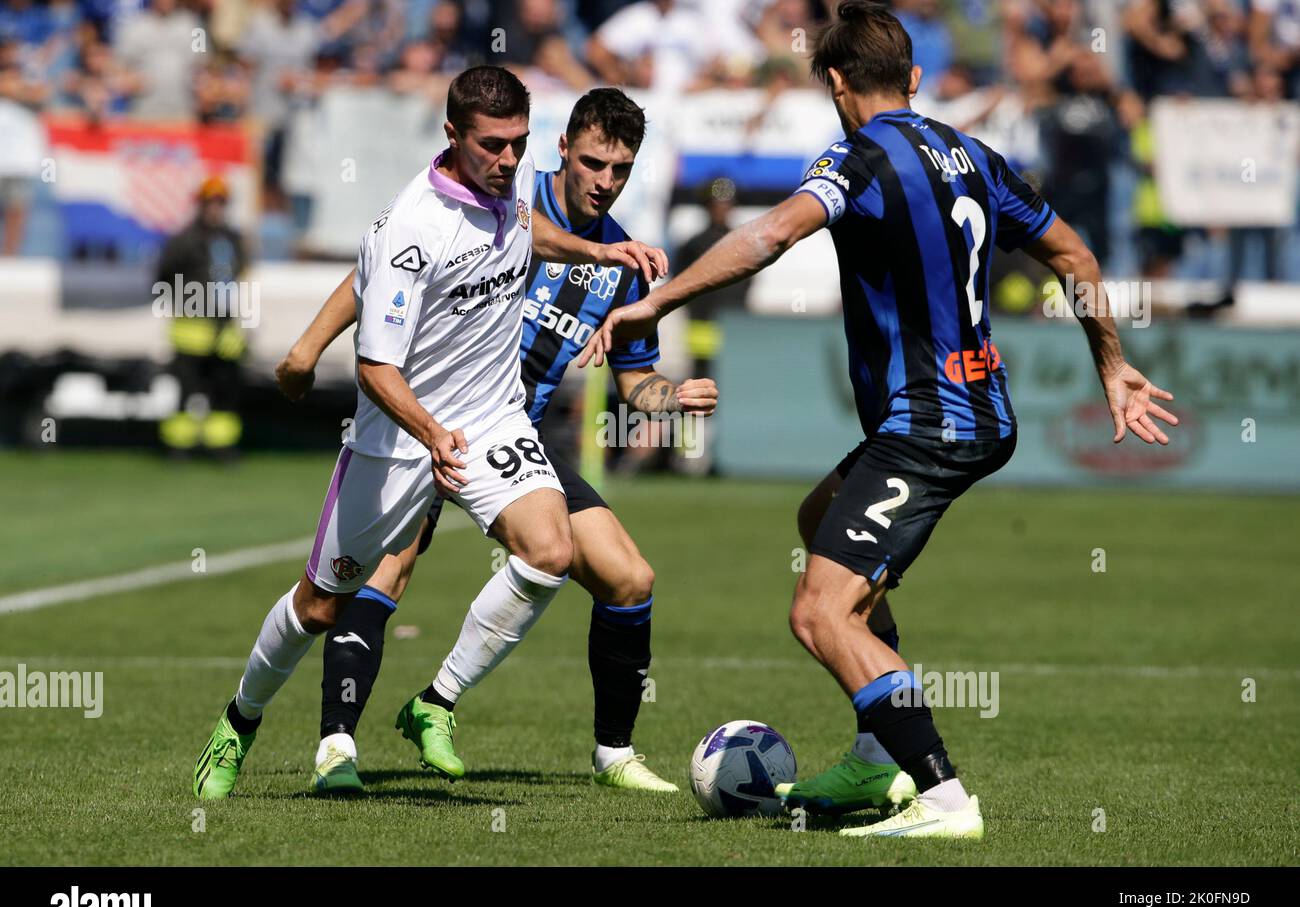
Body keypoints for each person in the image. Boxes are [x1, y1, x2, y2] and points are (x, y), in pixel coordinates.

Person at [580, 2, 1179, 838]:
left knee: (818, 614)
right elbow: (1074, 253)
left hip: (931, 423)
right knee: (818, 517)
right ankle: (875, 755)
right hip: (977, 410)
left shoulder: (857, 159)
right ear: (916, 77)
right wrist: (1111, 363)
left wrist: (658, 302)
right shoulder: (971, 152)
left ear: (833, 82)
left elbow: (767, 238)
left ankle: (942, 798)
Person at [193, 67, 667, 800]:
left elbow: (526, 227)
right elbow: (377, 365)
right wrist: (387, 404)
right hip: (399, 434)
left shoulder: (510, 184)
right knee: (320, 604)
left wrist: (600, 253)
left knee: (550, 550)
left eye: (519, 145)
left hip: (491, 418)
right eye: (493, 147)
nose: (510, 163)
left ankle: (435, 703)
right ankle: (240, 719)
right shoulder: (413, 229)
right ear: (452, 136)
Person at [157, 176, 249, 459]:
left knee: (224, 391)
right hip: (191, 329)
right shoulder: (184, 240)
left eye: (220, 203)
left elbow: (241, 276)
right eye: (210, 203)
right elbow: (163, 276)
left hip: (225, 330)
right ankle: (179, 447)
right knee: (187, 391)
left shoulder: (233, 239)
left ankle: (221, 446)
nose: (215, 209)